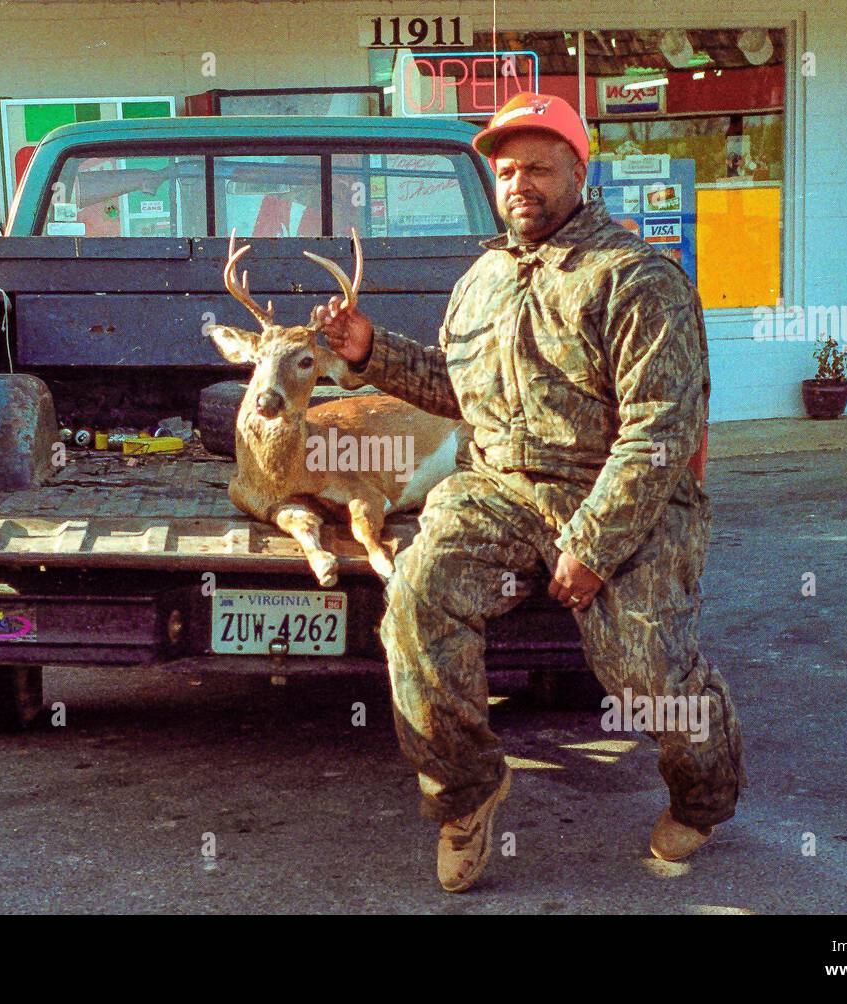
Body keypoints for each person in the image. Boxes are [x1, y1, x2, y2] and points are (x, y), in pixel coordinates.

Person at [312, 93, 748, 893]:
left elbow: (660, 436)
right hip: (501, 492)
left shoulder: (637, 278)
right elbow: (458, 390)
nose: (520, 183)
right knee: (414, 597)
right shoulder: (480, 280)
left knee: (646, 674)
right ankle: (465, 792)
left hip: (623, 496)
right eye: (507, 169)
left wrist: (591, 546)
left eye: (539, 168)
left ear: (579, 172)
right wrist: (372, 351)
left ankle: (705, 792)